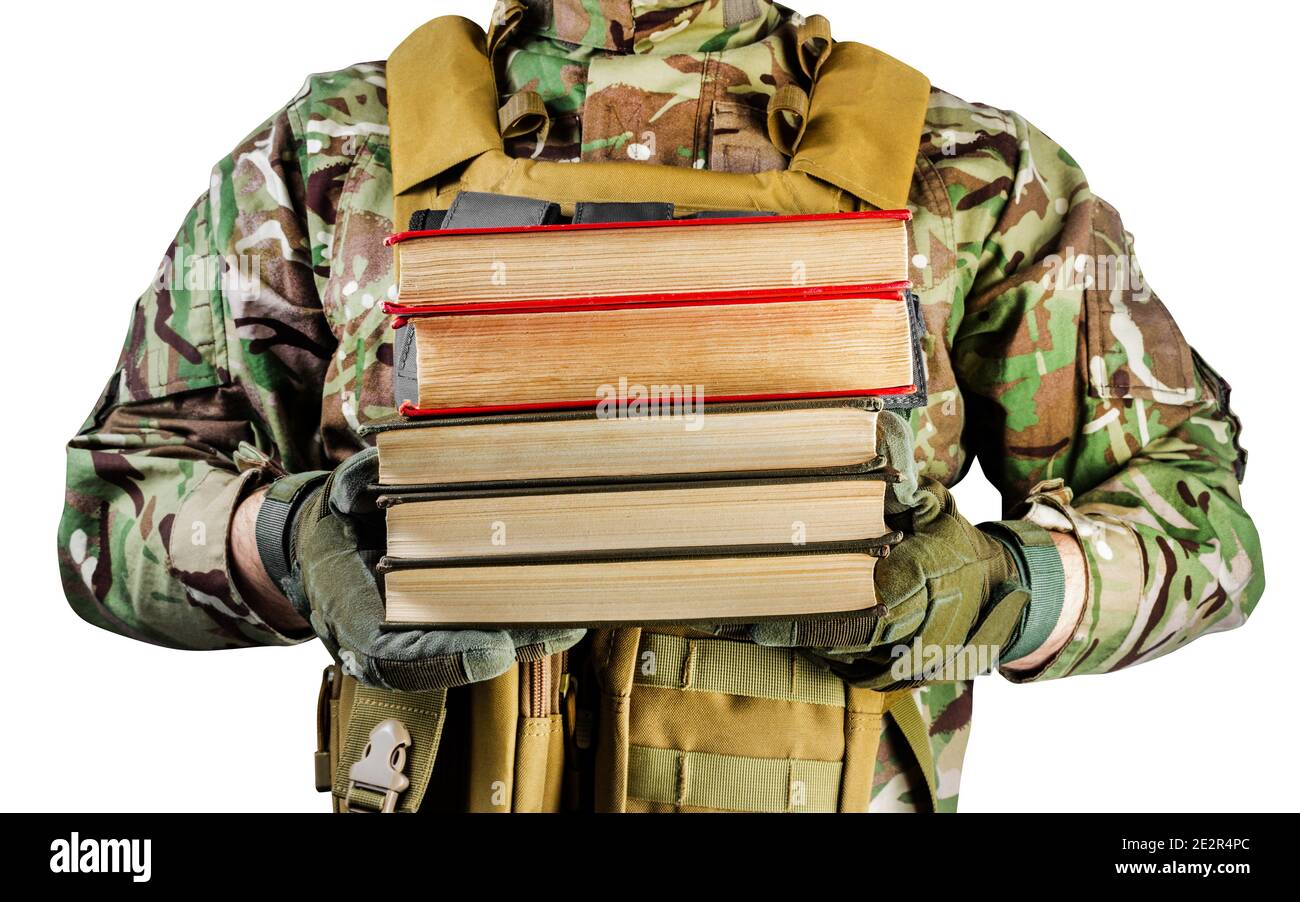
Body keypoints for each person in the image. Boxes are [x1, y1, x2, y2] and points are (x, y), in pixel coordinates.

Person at [57, 0, 1264, 812]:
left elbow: (1198, 521)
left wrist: (1000, 588)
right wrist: (292, 541)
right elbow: (111, 508)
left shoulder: (968, 172)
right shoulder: (330, 154)